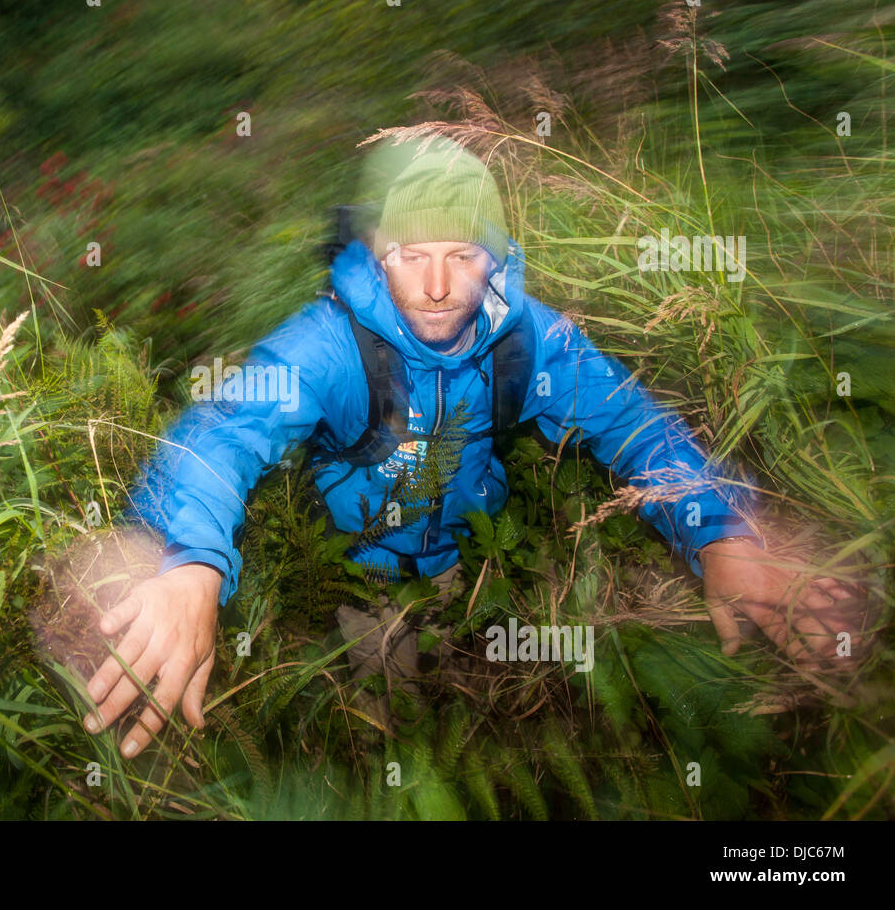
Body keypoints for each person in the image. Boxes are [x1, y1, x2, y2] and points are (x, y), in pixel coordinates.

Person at [81, 134, 870, 759]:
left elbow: (630, 422)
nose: (436, 285)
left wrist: (720, 531)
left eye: (462, 253)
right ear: (374, 250)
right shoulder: (327, 346)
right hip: (357, 572)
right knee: (382, 715)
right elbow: (221, 435)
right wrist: (189, 565)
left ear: (495, 255)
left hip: (474, 561)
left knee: (480, 691)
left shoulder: (527, 340)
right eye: (410, 254)